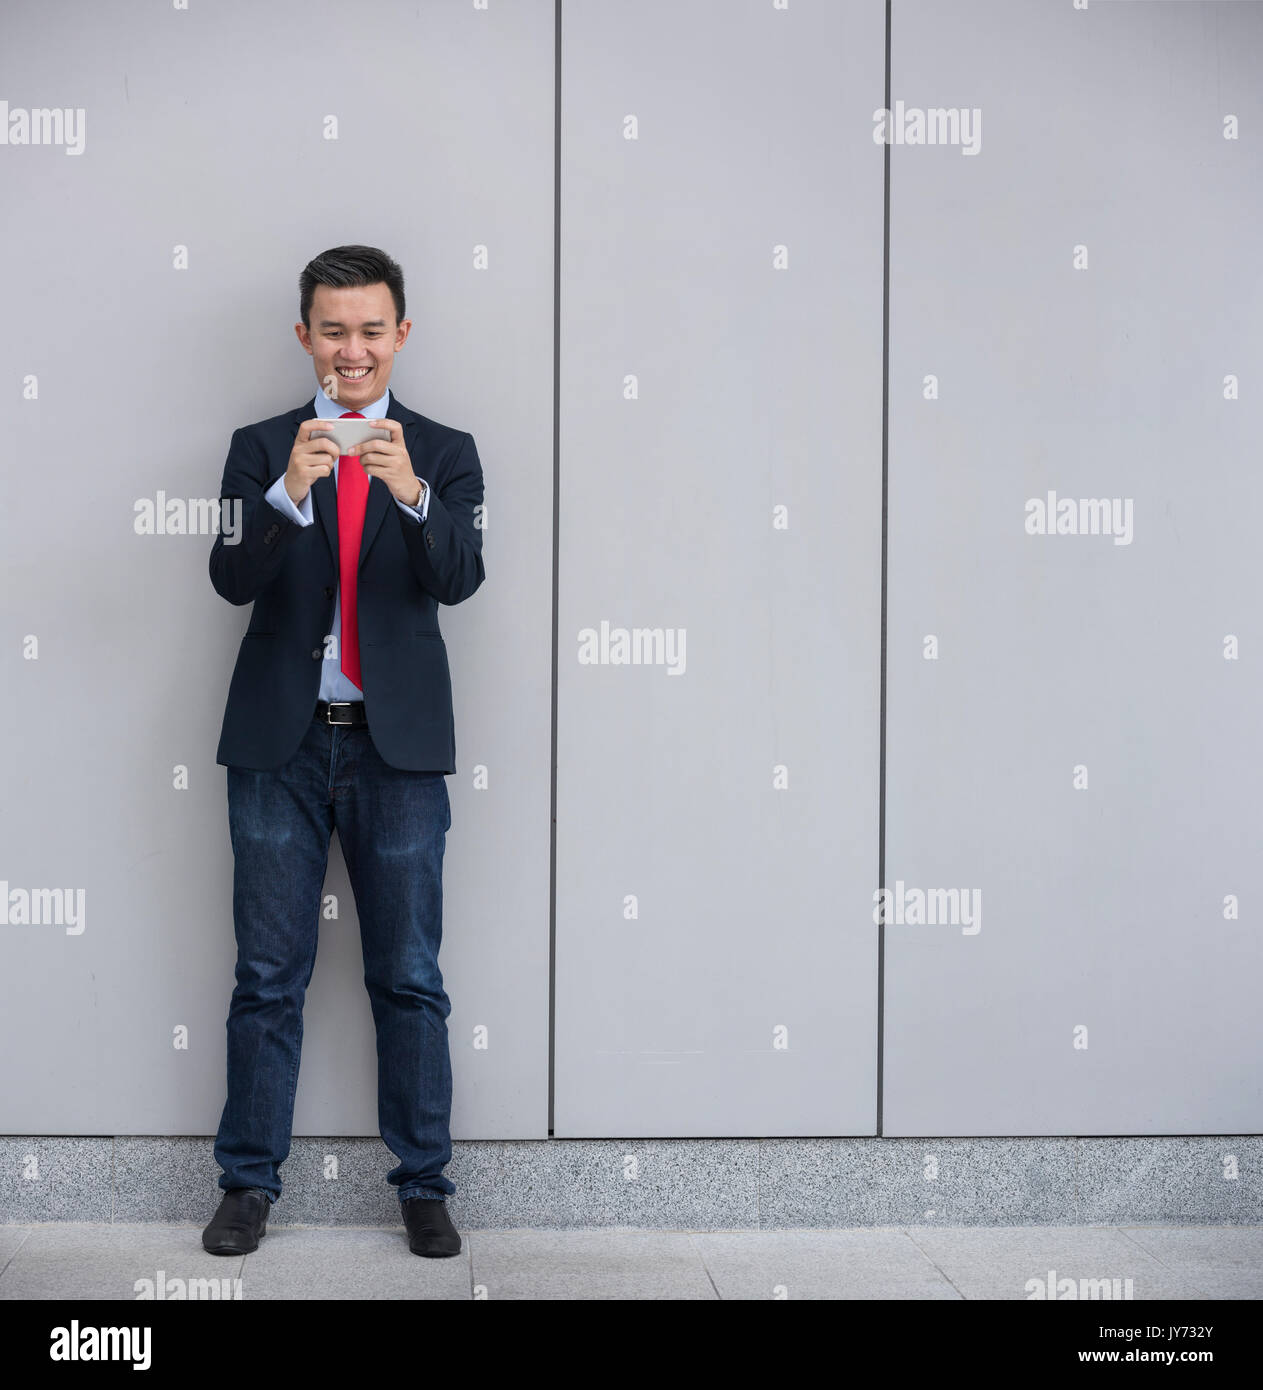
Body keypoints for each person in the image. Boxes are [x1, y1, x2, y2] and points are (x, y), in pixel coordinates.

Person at [201, 245, 485, 1258]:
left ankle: (423, 1184)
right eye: (334, 329)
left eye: (372, 329)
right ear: (305, 336)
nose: (352, 349)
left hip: (395, 755)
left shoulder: (445, 451)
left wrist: (413, 495)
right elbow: (229, 577)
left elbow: (460, 580)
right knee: (267, 976)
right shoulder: (259, 446)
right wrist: (283, 497)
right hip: (278, 749)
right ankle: (247, 1183)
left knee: (408, 975)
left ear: (400, 334)